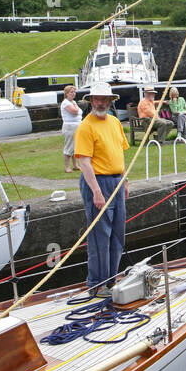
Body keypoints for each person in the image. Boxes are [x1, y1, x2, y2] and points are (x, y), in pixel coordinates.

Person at [74, 82, 129, 296]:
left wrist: (124, 181)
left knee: (117, 234)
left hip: (115, 181)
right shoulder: (86, 127)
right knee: (100, 236)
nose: (100, 102)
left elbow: (119, 154)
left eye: (104, 99)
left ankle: (111, 280)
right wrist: (96, 191)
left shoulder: (115, 123)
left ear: (110, 101)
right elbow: (85, 162)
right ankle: (96, 284)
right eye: (97, 99)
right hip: (97, 182)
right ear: (91, 101)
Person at [60, 84, 82, 173]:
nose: (73, 94)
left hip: (77, 125)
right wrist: (76, 107)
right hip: (70, 126)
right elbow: (75, 112)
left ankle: (75, 165)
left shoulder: (73, 102)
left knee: (75, 147)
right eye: (71, 92)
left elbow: (76, 111)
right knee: (69, 147)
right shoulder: (65, 102)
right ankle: (67, 167)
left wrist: (75, 106)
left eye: (74, 92)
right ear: (66, 93)